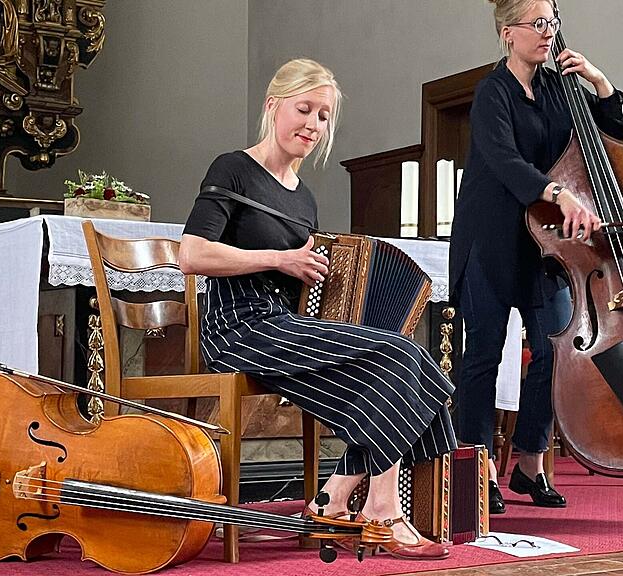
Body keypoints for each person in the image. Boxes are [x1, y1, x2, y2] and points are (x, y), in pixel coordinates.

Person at [180, 58, 456, 560]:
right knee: (394, 358)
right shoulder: (234, 168)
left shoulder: (304, 198)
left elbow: (299, 282)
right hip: (236, 329)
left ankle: (332, 499)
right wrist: (281, 258)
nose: (313, 124)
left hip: (283, 324)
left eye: (324, 116)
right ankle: (379, 509)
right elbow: (191, 255)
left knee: (412, 364)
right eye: (303, 109)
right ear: (273, 106)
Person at [449, 0, 623, 515]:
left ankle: (531, 465)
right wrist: (559, 194)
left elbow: (620, 136)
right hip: (489, 243)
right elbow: (505, 162)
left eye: (552, 22)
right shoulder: (492, 93)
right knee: (483, 355)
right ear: (509, 34)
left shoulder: (561, 89)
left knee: (554, 355)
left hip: (545, 247)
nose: (548, 32)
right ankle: (479, 466)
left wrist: (598, 83)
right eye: (538, 23)